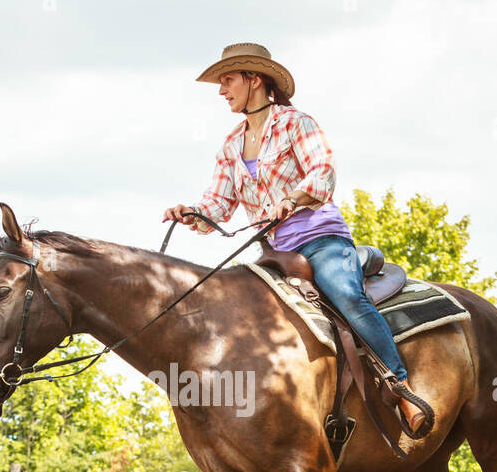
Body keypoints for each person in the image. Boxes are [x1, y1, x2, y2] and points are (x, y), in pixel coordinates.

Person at [163, 42, 429, 437]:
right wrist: (192, 213)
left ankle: (401, 386)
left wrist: (290, 199)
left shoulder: (295, 123)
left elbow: (323, 173)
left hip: (319, 238)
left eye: (228, 80)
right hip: (273, 254)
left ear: (255, 79)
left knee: (346, 296)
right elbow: (218, 204)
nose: (221, 90)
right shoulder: (231, 145)